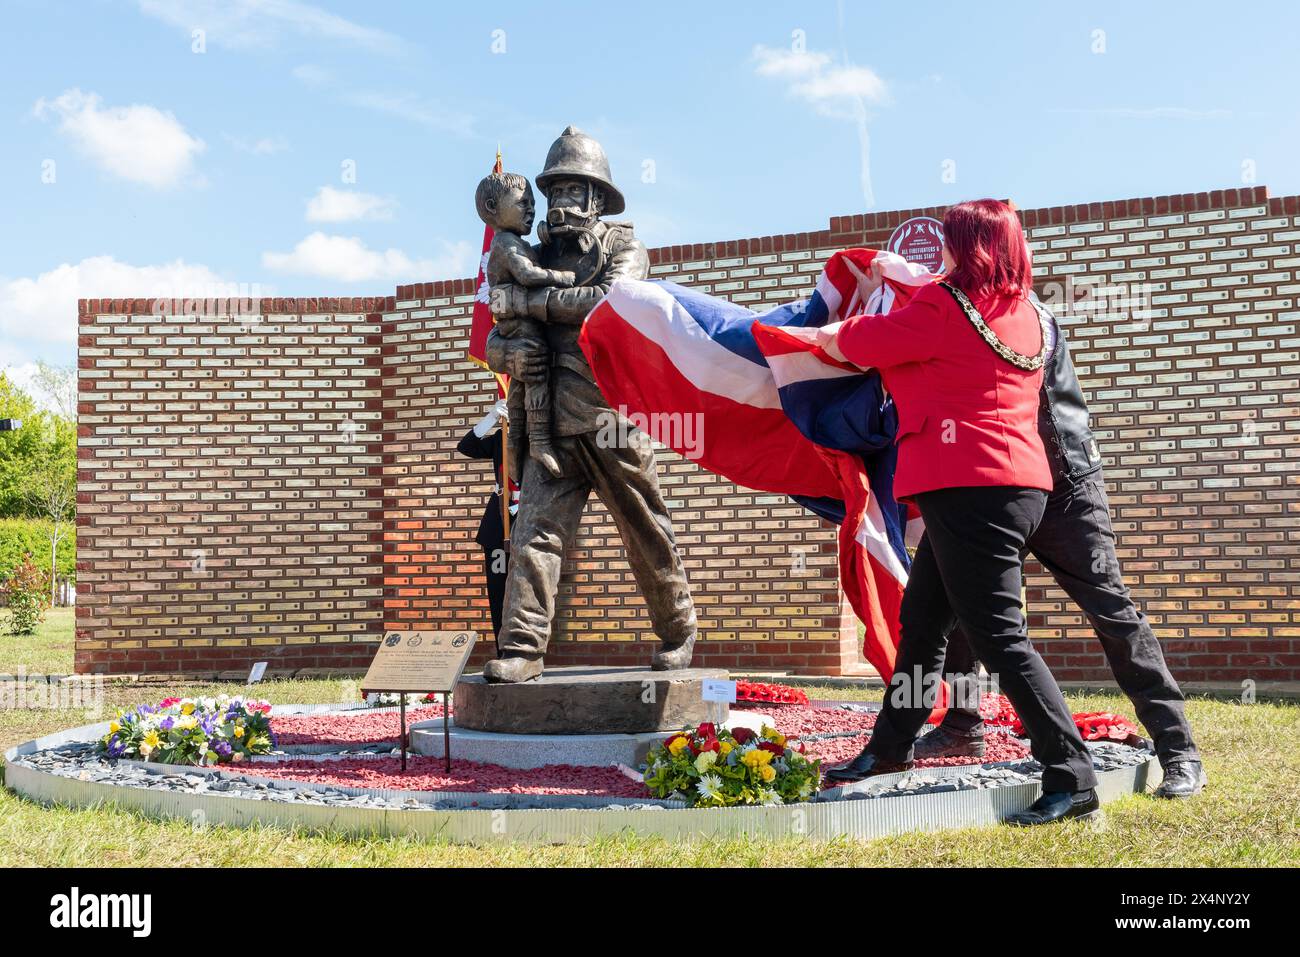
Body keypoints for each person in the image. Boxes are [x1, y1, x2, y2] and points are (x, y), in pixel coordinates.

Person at [825, 199, 1099, 826]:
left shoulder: (945, 305)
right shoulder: (1030, 313)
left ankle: (1072, 775)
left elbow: (865, 343)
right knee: (923, 628)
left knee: (1001, 638)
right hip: (1018, 487)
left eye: (949, 240)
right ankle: (888, 750)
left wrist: (812, 332)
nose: (940, 250)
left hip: (966, 489)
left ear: (969, 245)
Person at [910, 309, 1206, 799]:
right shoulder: (952, 311)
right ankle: (963, 724)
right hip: (991, 486)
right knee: (963, 609)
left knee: (1111, 609)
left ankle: (1178, 750)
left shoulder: (1028, 315)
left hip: (1066, 486)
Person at [481, 126, 697, 683]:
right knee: (535, 535)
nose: (562, 203)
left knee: (645, 530)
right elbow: (495, 337)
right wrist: (510, 355)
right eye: (555, 191)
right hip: (548, 419)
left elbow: (609, 302)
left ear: (598, 198)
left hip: (612, 420)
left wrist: (533, 301)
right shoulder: (527, 254)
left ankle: (678, 630)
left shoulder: (622, 246)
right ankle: (523, 649)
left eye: (576, 191)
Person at [474, 169, 576, 478]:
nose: (531, 210)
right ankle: (540, 441)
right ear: (493, 208)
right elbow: (529, 274)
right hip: (520, 328)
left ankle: (515, 447)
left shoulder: (514, 242)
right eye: (523, 203)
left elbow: (533, 260)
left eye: (533, 203)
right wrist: (560, 277)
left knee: (517, 392)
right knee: (535, 375)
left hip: (518, 324)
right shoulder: (505, 244)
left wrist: (546, 238)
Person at [456, 398, 514, 653]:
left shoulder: (542, 437)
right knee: (498, 591)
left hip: (531, 522)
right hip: (498, 526)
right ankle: (503, 650)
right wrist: (491, 418)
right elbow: (466, 446)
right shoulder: (501, 437)